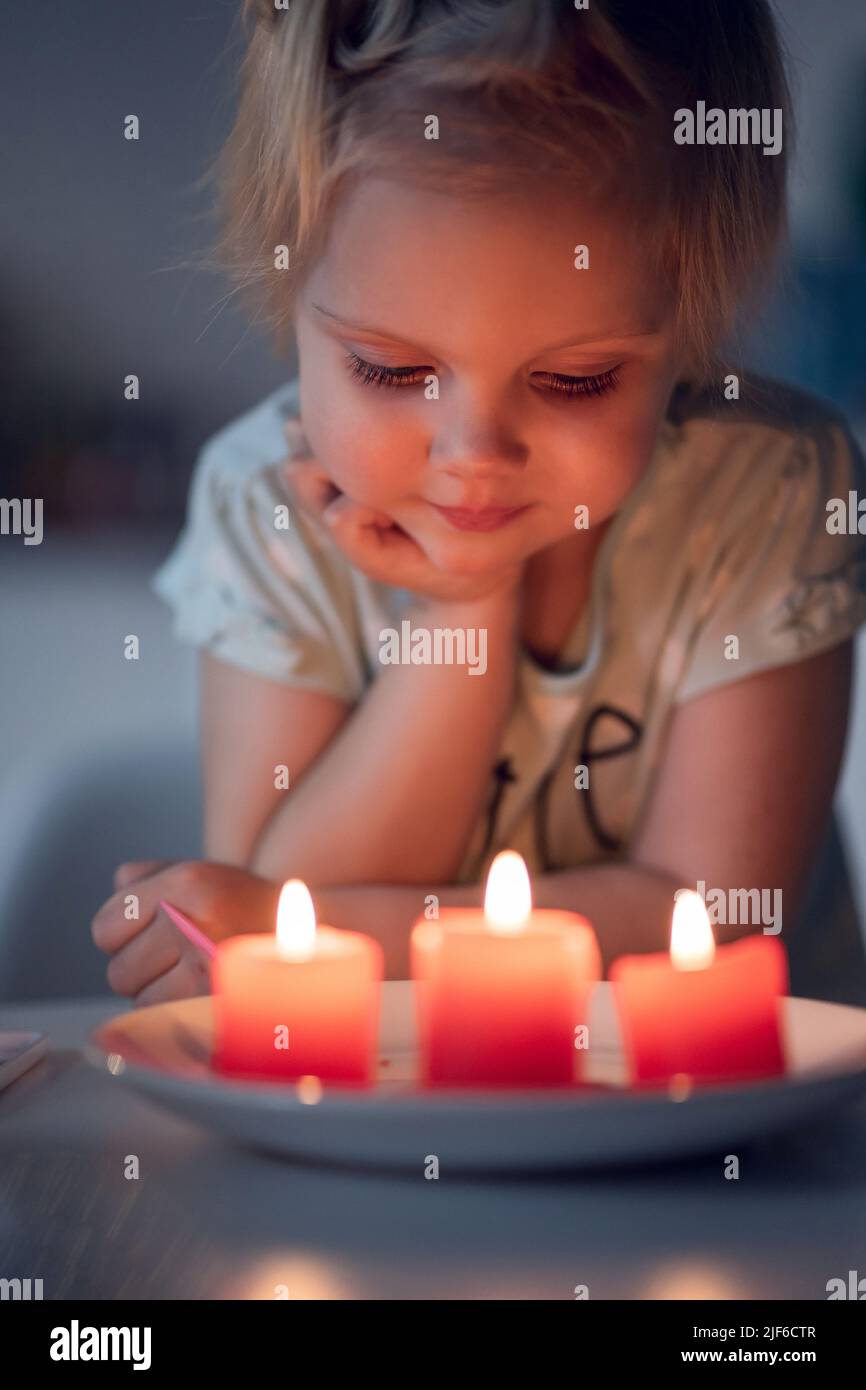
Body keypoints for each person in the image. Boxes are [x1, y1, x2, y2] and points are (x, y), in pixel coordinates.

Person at [92, 0, 866, 1007]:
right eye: (387, 367)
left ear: (690, 317)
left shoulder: (766, 488)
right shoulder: (263, 507)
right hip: (374, 1121)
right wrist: (465, 611)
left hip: (731, 1144)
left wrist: (315, 927)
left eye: (578, 379)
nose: (472, 457)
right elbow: (281, 910)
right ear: (288, 292)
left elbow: (713, 915)